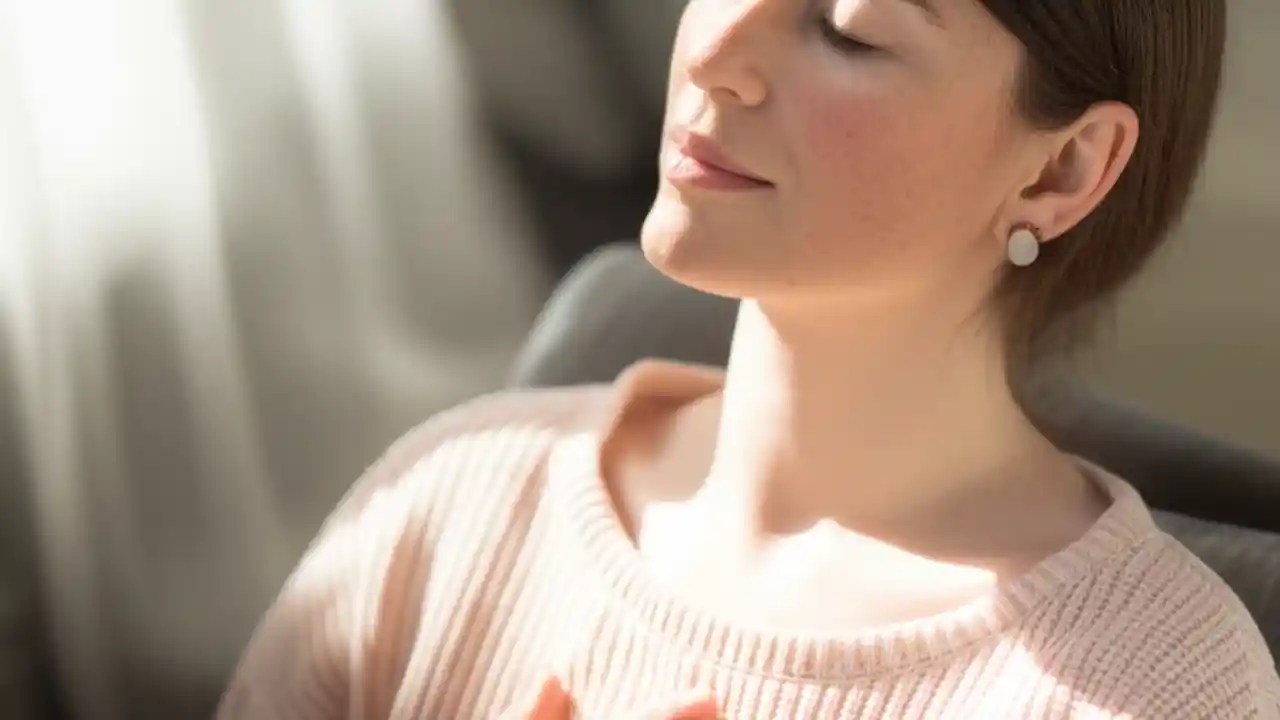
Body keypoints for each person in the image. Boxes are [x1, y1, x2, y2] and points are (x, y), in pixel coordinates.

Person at [217, 0, 1280, 717]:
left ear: (1062, 169)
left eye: (848, 29)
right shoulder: (447, 509)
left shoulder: (1159, 688)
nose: (717, 48)